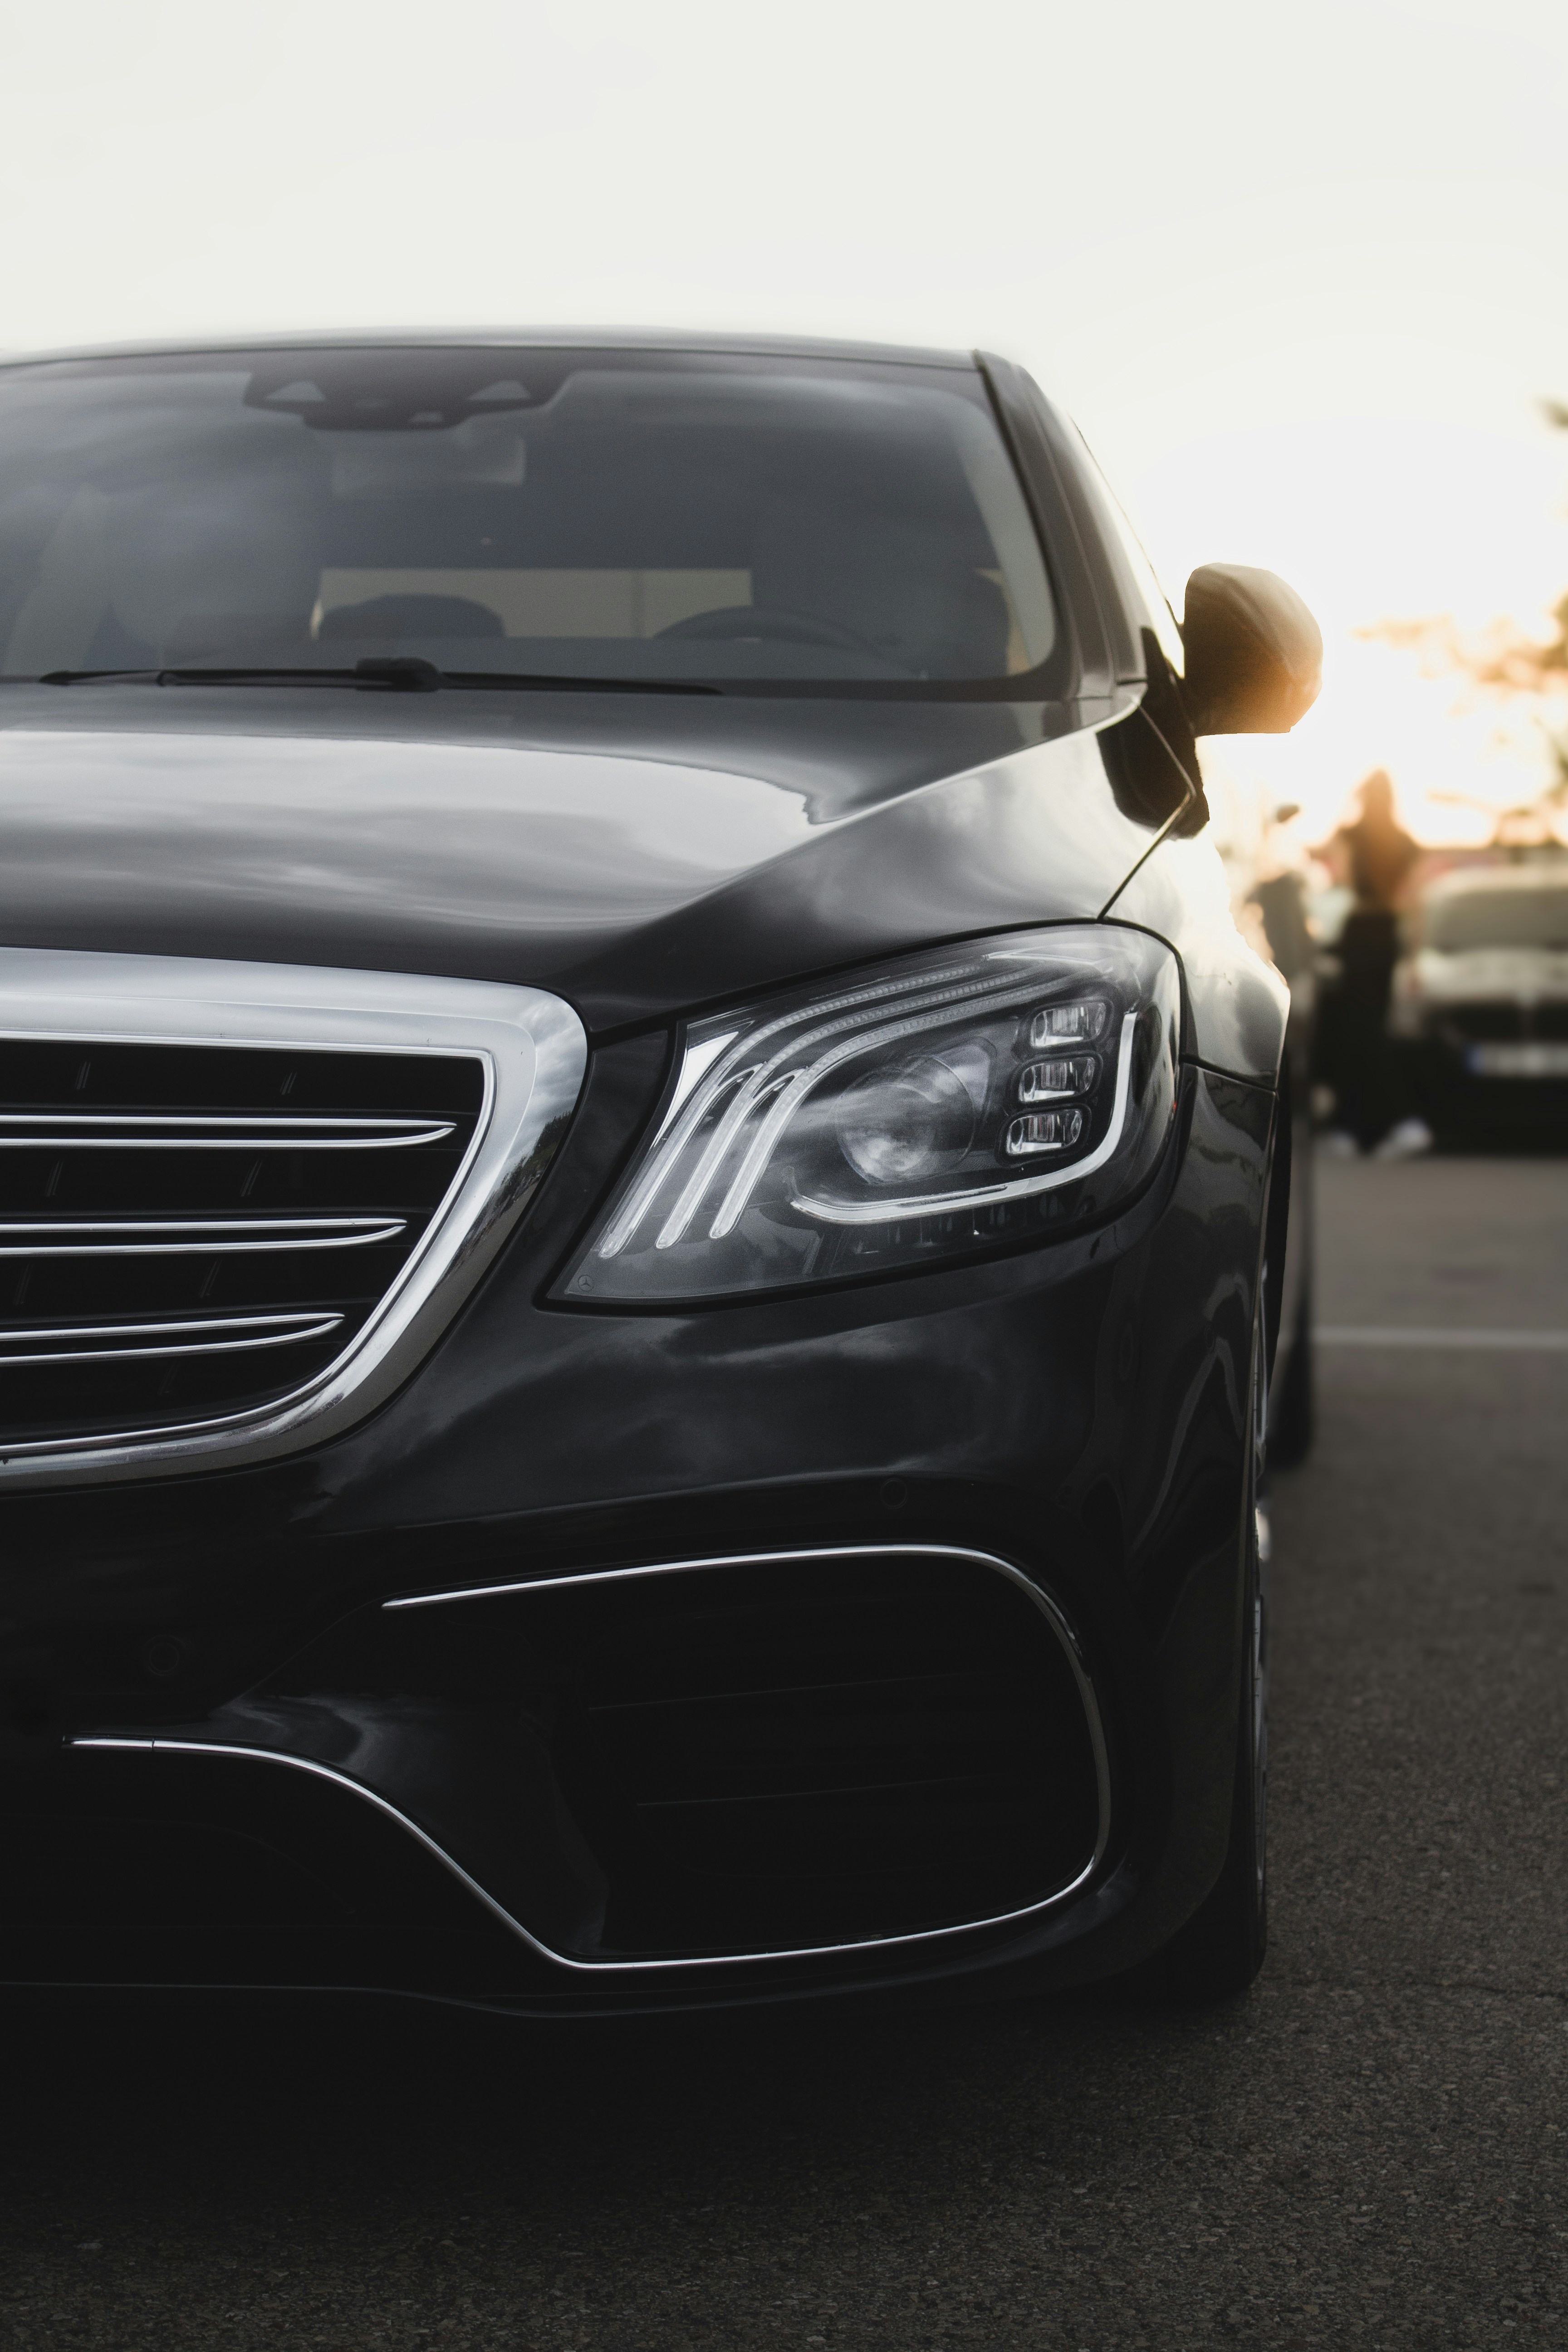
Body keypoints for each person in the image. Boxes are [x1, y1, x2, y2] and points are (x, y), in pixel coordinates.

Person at [1315, 771, 1428, 1154]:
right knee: (1366, 1031)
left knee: (1360, 1033)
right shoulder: (1406, 841)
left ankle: (1400, 1123)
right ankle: (1356, 1129)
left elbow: (1331, 861)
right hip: (1388, 934)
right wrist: (1412, 961)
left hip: (1361, 930)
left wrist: (1350, 801)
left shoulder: (1355, 832)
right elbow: (1414, 903)